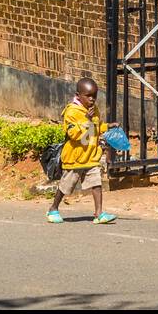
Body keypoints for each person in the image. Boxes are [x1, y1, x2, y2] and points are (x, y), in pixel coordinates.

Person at [47, 78, 116, 224]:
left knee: (96, 182)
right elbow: (73, 135)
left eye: (94, 96)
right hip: (75, 157)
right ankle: (53, 208)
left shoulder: (94, 110)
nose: (92, 99)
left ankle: (99, 213)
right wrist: (87, 120)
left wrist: (108, 126)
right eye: (88, 96)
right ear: (78, 95)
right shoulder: (71, 112)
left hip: (90, 154)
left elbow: (95, 127)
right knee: (66, 186)